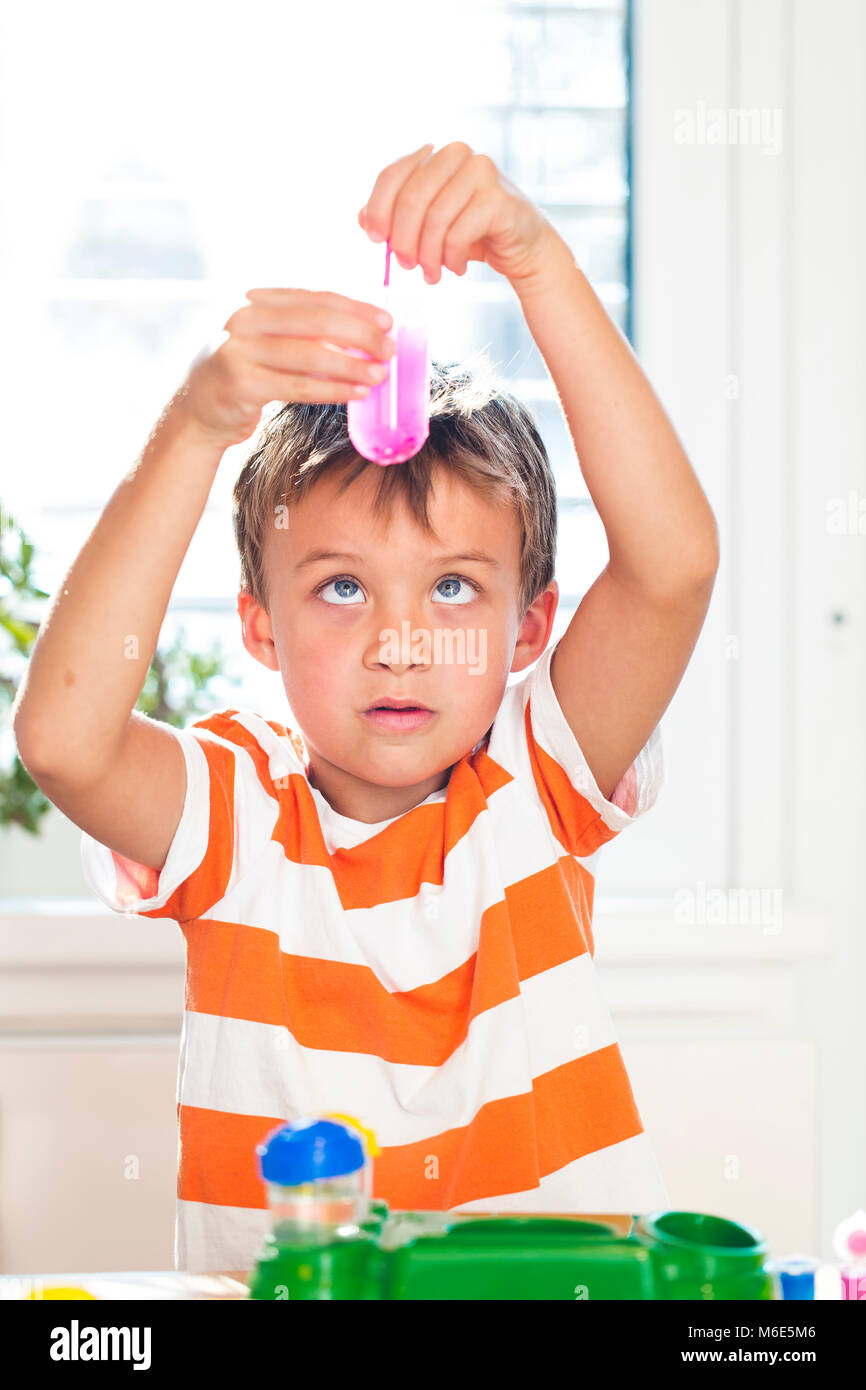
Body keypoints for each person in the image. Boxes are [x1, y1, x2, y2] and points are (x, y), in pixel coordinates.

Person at [12, 142, 719, 1273]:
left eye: (452, 585)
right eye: (341, 586)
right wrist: (199, 422)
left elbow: (672, 564)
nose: (399, 641)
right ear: (258, 627)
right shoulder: (232, 815)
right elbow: (62, 737)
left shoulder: (536, 775)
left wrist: (536, 265)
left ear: (526, 629)